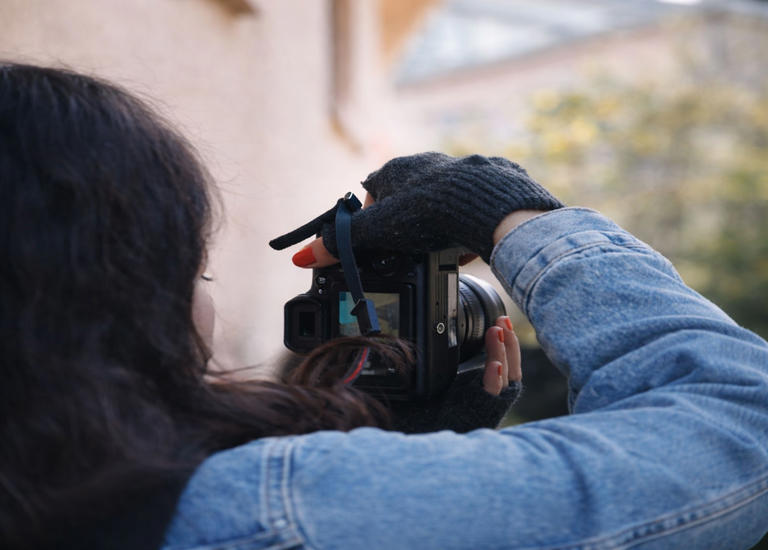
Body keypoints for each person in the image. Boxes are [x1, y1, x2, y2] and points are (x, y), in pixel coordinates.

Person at [0, 63, 766, 550]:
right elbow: (742, 421)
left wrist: (408, 451)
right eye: (193, 273)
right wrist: (506, 211)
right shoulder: (259, 511)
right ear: (109, 299)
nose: (206, 308)